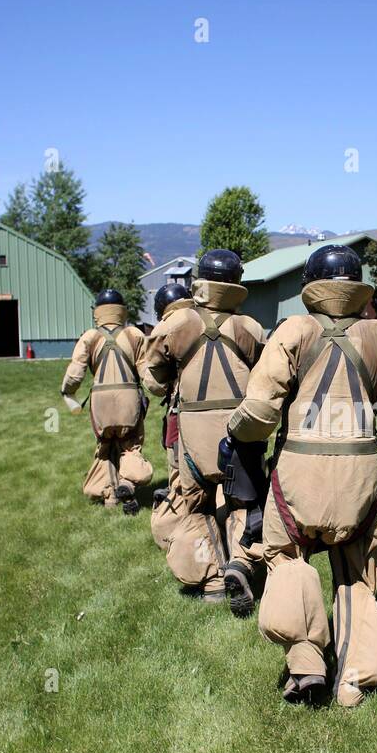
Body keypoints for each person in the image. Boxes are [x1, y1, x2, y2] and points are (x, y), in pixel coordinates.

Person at [223, 244, 377, 706]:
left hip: (298, 476)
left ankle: (306, 660)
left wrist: (235, 429)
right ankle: (355, 678)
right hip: (361, 478)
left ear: (312, 286)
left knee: (286, 558)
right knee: (356, 577)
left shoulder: (293, 330)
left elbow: (261, 411)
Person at [139, 251, 266, 610]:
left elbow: (156, 378)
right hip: (239, 436)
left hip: (191, 437)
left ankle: (210, 580)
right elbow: (267, 377)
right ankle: (241, 562)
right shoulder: (250, 328)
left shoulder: (176, 325)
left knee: (194, 508)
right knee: (245, 501)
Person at [60, 289, 152, 513]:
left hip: (100, 401)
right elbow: (148, 373)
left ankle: (109, 496)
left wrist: (67, 391)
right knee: (130, 446)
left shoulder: (90, 336)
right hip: (128, 398)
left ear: (98, 312)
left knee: (104, 447)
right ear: (122, 310)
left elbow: (76, 372)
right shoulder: (134, 335)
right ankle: (128, 483)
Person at [149, 282, 193, 549]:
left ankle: (181, 539)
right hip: (223, 413)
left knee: (179, 476)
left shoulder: (165, 329)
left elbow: (155, 382)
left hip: (182, 412)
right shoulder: (207, 319)